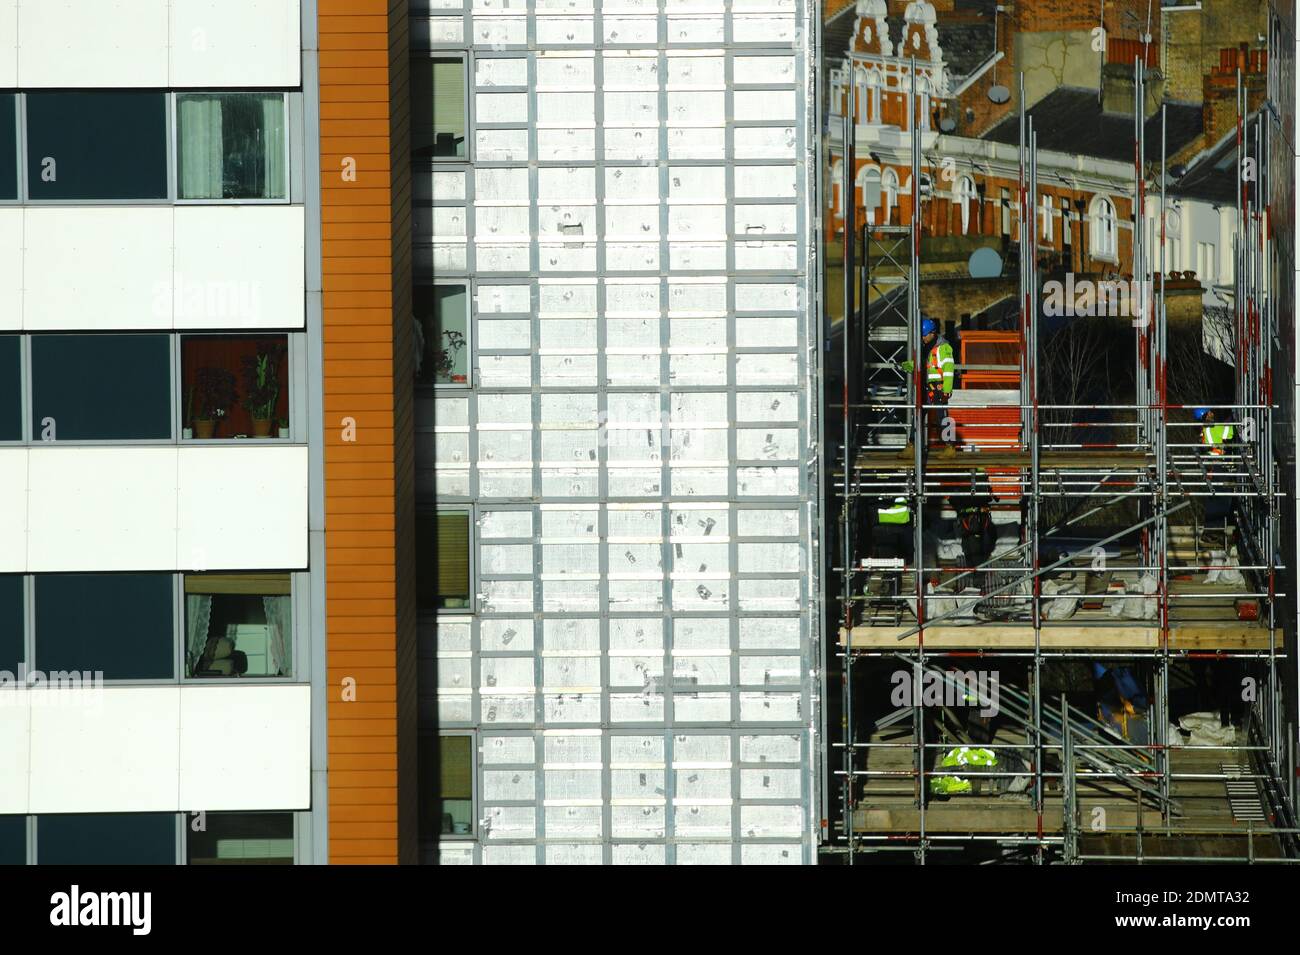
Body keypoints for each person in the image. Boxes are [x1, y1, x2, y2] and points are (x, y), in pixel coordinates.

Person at [901, 317, 957, 454]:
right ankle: (911, 445)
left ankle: (950, 448)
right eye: (921, 335)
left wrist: (947, 390)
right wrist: (910, 366)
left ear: (932, 333)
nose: (923, 338)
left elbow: (949, 370)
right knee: (918, 415)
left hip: (939, 388)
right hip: (926, 386)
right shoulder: (926, 348)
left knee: (942, 417)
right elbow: (926, 366)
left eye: (924, 335)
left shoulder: (944, 348)